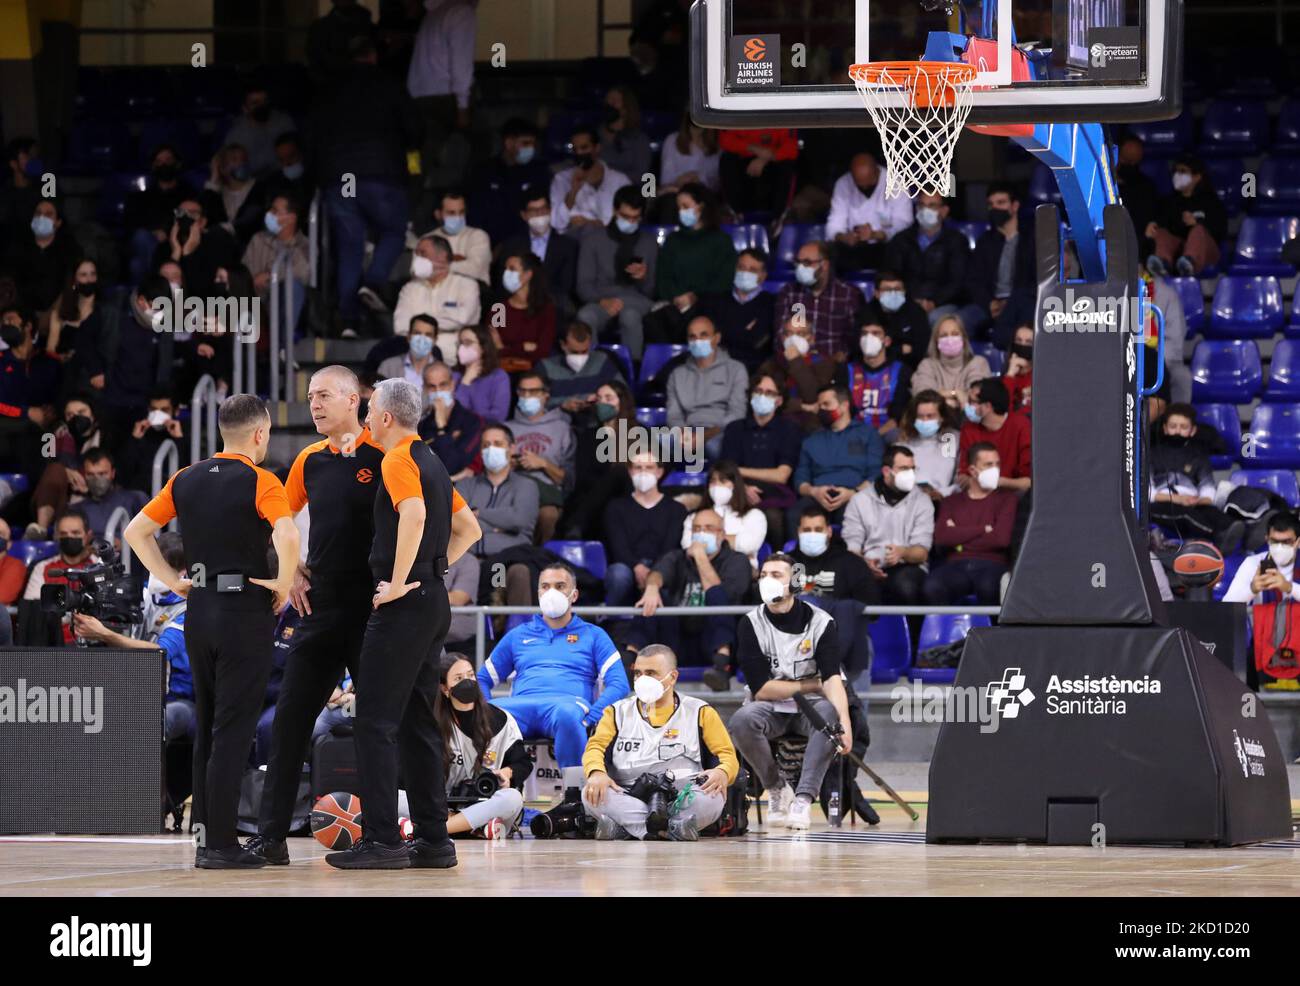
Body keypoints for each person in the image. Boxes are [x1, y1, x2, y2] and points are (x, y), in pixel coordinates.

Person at [125, 394, 299, 869]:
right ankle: (221, 844)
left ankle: (206, 838)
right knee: (233, 728)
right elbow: (286, 533)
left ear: (223, 431)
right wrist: (283, 582)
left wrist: (169, 580)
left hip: (198, 609)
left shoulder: (186, 478)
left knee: (208, 723)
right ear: (260, 434)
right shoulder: (262, 480)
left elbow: (136, 532)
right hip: (244, 609)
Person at [326, 378, 482, 869]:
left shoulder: (397, 459)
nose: (367, 419)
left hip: (405, 604)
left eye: (370, 411)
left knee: (373, 721)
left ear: (387, 418)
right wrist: (434, 571)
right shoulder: (431, 459)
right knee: (418, 722)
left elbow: (412, 514)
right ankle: (435, 841)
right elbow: (469, 529)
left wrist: (398, 581)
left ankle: (382, 841)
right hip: (432, 602)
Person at [243, 367, 387, 865]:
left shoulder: (386, 454)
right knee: (287, 722)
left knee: (376, 725)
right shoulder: (308, 459)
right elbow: (277, 520)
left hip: (373, 609)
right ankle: (271, 837)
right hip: (320, 605)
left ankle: (382, 837)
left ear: (355, 399)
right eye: (309, 397)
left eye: (324, 395)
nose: (314, 404)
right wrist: (293, 571)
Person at [476, 561, 630, 804]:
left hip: (567, 706)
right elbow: (482, 678)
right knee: (487, 717)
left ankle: (575, 797)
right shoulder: (518, 635)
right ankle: (485, 790)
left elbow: (619, 683)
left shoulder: (594, 635)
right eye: (545, 586)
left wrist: (592, 716)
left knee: (568, 715)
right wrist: (486, 711)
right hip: (520, 707)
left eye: (560, 586)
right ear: (538, 593)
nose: (552, 592)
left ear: (574, 594)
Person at [729, 552, 853, 830]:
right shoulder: (750, 623)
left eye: (776, 575)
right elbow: (761, 689)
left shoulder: (822, 623)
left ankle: (803, 799)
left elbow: (832, 678)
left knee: (829, 713)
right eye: (763, 575)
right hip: (771, 708)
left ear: (794, 582)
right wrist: (809, 684)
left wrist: (845, 723)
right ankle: (776, 787)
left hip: (811, 708)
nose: (767, 580)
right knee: (741, 720)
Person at [310, 36, 418, 336]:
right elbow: (413, 129)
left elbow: (313, 134)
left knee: (349, 248)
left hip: (340, 179)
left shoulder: (330, 89)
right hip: (380, 174)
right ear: (373, 56)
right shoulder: (388, 83)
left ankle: (348, 322)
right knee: (395, 231)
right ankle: (373, 282)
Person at [582, 643, 739, 841]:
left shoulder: (700, 711)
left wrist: (722, 772)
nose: (641, 679)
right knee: (590, 793)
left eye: (651, 673)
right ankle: (671, 829)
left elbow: (728, 756)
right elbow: (594, 748)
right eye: (638, 673)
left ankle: (628, 829)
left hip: (682, 796)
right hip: (628, 794)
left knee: (713, 798)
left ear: (672, 677)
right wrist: (596, 773)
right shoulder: (616, 711)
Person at [631, 507, 752, 690]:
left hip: (714, 636)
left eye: (709, 528)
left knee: (718, 598)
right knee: (653, 598)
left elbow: (723, 596)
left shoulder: (738, 560)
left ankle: (722, 666)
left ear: (722, 534)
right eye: (697, 529)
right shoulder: (678, 557)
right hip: (678, 637)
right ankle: (628, 662)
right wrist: (652, 587)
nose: (701, 533)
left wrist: (701, 557)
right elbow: (657, 572)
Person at [431, 653, 531, 839]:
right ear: (445, 688)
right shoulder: (432, 723)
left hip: (484, 802)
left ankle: (436, 830)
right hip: (441, 805)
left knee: (512, 798)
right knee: (396, 797)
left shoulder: (501, 720)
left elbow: (523, 763)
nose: (468, 682)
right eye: (459, 678)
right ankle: (474, 828)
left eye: (471, 675)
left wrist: (507, 773)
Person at [922, 442, 1017, 606]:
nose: (995, 469)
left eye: (997, 464)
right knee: (931, 586)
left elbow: (1001, 539)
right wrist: (984, 529)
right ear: (973, 470)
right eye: (988, 465)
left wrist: (958, 536)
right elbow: (942, 538)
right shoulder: (951, 502)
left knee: (989, 587)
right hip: (955, 565)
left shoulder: (1007, 500)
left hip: (993, 565)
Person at [456, 422, 540, 605]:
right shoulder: (465, 485)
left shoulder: (526, 485)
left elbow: (519, 519)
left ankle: (514, 631)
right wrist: (498, 527)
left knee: (517, 573)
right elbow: (456, 524)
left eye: (497, 443)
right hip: (468, 561)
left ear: (511, 448)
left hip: (503, 563)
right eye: (486, 445)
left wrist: (478, 513)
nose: (490, 449)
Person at [841, 443, 934, 610]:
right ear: (886, 471)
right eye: (904, 468)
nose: (911, 474)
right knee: (851, 582)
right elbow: (852, 546)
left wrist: (903, 552)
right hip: (868, 565)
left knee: (905, 585)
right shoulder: (860, 500)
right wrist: (865, 564)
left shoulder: (922, 501)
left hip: (909, 566)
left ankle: (911, 636)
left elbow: (922, 552)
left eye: (913, 468)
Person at [719, 370, 803, 547]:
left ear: (779, 400)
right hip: (738, 491)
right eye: (758, 391)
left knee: (773, 516)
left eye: (769, 393)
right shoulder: (734, 429)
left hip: (775, 493)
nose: (762, 396)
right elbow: (725, 470)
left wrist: (739, 471)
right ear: (750, 395)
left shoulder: (789, 429)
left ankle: (778, 561)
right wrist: (743, 487)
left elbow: (781, 475)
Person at [574, 185, 658, 359]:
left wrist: (642, 278)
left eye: (636, 218)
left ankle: (632, 371)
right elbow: (583, 285)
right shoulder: (593, 240)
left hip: (637, 301)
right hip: (601, 301)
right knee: (584, 316)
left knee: (630, 316)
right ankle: (593, 368)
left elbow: (652, 292)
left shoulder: (649, 243)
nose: (631, 223)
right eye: (626, 217)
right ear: (614, 211)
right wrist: (602, 300)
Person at [1149, 403, 1245, 553]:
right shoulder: (1151, 454)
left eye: (1183, 427)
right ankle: (1217, 538)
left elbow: (1208, 490)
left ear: (1192, 430)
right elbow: (1148, 493)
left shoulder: (1199, 456)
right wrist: (1177, 499)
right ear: (1165, 428)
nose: (1177, 431)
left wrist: (1198, 501)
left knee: (1213, 513)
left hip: (1193, 501)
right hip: (1161, 504)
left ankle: (1243, 536)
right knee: (1185, 514)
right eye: (1173, 426)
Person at [790, 382, 885, 532]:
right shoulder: (811, 440)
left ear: (844, 406)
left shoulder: (867, 434)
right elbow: (800, 479)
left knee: (854, 515)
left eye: (827, 404)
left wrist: (853, 493)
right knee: (794, 515)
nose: (822, 409)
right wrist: (814, 491)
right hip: (818, 496)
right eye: (820, 406)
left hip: (855, 495)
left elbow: (877, 473)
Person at [648, 183, 736, 341]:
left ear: (701, 207)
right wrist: (676, 297)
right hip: (674, 305)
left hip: (708, 305)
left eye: (685, 206)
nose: (681, 211)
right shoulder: (673, 241)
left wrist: (695, 296)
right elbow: (663, 277)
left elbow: (724, 279)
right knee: (653, 321)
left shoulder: (721, 241)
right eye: (679, 207)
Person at [1221, 513, 1300, 682]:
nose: (1280, 547)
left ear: (1297, 542)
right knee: (1243, 658)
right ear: (1266, 539)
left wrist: (1289, 587)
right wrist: (1252, 588)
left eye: (1286, 542)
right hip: (1264, 642)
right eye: (1274, 541)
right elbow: (1226, 606)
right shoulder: (1253, 563)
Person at [603, 450, 688, 605]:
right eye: (638, 467)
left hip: (663, 567)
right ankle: (610, 617)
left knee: (673, 572)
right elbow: (618, 546)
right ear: (630, 471)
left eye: (649, 467)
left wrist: (654, 573)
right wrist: (637, 567)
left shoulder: (676, 509)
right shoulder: (616, 507)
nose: (643, 473)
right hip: (628, 567)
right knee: (618, 574)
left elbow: (671, 546)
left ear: (659, 471)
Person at [960, 183, 1036, 349]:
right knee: (960, 322)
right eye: (991, 204)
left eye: (1000, 203)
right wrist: (989, 303)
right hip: (989, 305)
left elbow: (1038, 279)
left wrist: (1012, 302)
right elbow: (973, 280)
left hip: (1022, 303)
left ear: (1014, 206)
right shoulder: (985, 241)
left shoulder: (1032, 239)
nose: (995, 208)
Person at [666, 315, 748, 461]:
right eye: (693, 337)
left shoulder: (736, 369)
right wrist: (684, 434)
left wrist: (704, 436)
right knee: (652, 444)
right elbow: (674, 415)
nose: (698, 341)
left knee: (715, 448)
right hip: (687, 431)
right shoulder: (677, 374)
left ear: (716, 338)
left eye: (704, 335)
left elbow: (737, 413)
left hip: (720, 432)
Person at [507, 369, 575, 544]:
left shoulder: (562, 428)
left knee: (548, 515)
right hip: (511, 492)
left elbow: (569, 480)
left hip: (547, 495)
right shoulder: (506, 429)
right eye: (523, 391)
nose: (527, 396)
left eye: (533, 391)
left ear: (546, 395)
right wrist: (511, 463)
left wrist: (543, 464)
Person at [885, 189, 971, 325]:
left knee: (935, 319)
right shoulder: (901, 240)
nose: (925, 210)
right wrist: (910, 300)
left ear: (944, 211)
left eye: (932, 206)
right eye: (921, 205)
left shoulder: (956, 241)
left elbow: (957, 282)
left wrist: (933, 302)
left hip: (943, 304)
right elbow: (892, 274)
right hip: (907, 301)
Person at [18, 508, 100, 646]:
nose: (69, 537)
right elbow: (34, 614)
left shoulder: (99, 567)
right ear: (56, 536)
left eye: (75, 533)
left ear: (87, 535)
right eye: (63, 533)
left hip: (93, 644)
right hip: (51, 644)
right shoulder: (43, 568)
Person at [492, 185, 579, 312]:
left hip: (552, 305)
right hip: (516, 305)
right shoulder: (511, 245)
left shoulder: (567, 246)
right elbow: (503, 283)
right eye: (533, 211)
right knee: (498, 310)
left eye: (543, 210)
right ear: (524, 215)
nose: (539, 215)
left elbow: (565, 286)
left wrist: (535, 299)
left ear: (550, 211)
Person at [827, 152, 913, 273]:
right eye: (860, 185)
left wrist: (876, 235)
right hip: (854, 248)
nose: (864, 188)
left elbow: (904, 223)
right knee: (831, 252)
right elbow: (835, 222)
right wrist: (843, 237)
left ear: (877, 171)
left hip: (886, 246)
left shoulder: (896, 182)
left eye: (869, 184)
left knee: (901, 248)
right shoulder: (843, 184)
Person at [469, 120, 552, 246]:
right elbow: (476, 213)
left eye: (533, 144)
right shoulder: (485, 171)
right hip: (490, 243)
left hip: (527, 242)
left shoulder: (538, 171)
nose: (531, 148)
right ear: (508, 143)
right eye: (525, 143)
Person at [392, 234, 480, 351]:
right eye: (416, 254)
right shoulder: (409, 289)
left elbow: (461, 319)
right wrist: (437, 324)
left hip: (453, 349)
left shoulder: (467, 285)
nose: (417, 258)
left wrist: (418, 326)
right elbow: (400, 326)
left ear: (442, 257)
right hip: (414, 347)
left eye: (423, 253)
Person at [125, 144, 197, 283]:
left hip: (179, 242)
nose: (163, 164)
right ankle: (154, 288)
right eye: (159, 161)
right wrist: (153, 232)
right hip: (149, 244)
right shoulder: (141, 197)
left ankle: (158, 287)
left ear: (177, 164)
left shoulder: (188, 193)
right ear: (153, 166)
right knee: (137, 257)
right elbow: (132, 223)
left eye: (168, 160)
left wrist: (168, 231)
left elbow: (192, 218)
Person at [1145, 154, 1227, 277]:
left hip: (1206, 251)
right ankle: (1162, 263)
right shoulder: (1169, 202)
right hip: (1178, 251)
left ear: (1197, 177)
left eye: (1183, 171)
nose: (1177, 175)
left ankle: (1189, 264)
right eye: (1176, 171)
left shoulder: (1211, 202)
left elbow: (1220, 231)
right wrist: (1152, 227)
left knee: (1198, 230)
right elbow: (1163, 225)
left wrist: (1197, 223)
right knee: (1161, 233)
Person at [241, 193, 310, 337]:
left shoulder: (305, 246)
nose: (269, 214)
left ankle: (282, 346)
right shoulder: (258, 239)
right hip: (259, 303)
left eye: (274, 211)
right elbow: (246, 274)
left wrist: (272, 276)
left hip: (287, 305)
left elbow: (303, 275)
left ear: (291, 218)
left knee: (293, 287)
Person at [697, 248, 775, 374]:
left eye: (752, 270)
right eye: (741, 267)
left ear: (763, 276)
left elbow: (759, 343)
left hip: (754, 371)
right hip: (716, 367)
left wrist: (729, 336)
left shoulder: (772, 304)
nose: (745, 273)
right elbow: (708, 341)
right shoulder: (714, 302)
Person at [776, 240, 858, 358]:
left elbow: (853, 339)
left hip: (835, 367)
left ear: (824, 265)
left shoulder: (847, 294)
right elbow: (781, 336)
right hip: (796, 364)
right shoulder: (789, 293)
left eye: (807, 262)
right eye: (798, 262)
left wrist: (839, 359)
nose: (800, 267)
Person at [46, 258, 116, 398]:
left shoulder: (106, 311)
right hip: (66, 372)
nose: (89, 279)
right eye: (83, 275)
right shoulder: (61, 311)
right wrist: (62, 357)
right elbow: (51, 348)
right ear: (74, 279)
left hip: (96, 375)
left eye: (92, 274)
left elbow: (110, 346)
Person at [680, 460, 768, 568]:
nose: (717, 485)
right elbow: (688, 545)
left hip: (740, 573)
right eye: (713, 481)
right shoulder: (694, 517)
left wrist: (705, 541)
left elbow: (749, 545)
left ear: (736, 484)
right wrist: (734, 540)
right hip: (700, 570)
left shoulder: (754, 515)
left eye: (723, 480)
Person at [757, 317, 838, 433]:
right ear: (782, 338)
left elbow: (814, 397)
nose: (793, 339)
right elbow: (765, 400)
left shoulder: (824, 363)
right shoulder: (772, 363)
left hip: (810, 427)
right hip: (776, 424)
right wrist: (802, 406)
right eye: (788, 334)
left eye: (800, 334)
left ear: (811, 339)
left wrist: (795, 361)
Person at [549, 126, 631, 235]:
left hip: (611, 242)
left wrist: (593, 224)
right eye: (575, 149)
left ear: (597, 148)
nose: (579, 153)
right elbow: (557, 223)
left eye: (584, 148)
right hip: (573, 244)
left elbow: (629, 221)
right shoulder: (561, 180)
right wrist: (573, 191)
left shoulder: (620, 181)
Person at [956, 377, 1032, 494]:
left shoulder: (1020, 425)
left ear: (987, 406)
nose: (967, 406)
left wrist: (998, 482)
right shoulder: (968, 429)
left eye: (972, 402)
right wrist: (968, 479)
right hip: (978, 494)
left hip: (1014, 495)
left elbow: (1029, 481)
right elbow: (963, 474)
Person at [789, 505, 876, 604]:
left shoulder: (852, 563)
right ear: (798, 531)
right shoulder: (785, 564)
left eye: (818, 530)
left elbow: (869, 606)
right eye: (807, 530)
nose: (812, 534)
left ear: (829, 531)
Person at [6, 199, 81, 313]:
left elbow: (70, 286)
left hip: (58, 313)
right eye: (38, 213)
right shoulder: (17, 249)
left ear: (58, 222)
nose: (42, 217)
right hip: (20, 312)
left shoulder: (69, 251)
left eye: (48, 214)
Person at [845, 316, 912, 436]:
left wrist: (875, 436)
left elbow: (899, 415)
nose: (869, 338)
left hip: (886, 433)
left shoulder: (901, 370)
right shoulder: (847, 370)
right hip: (853, 434)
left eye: (875, 333)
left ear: (887, 341)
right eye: (864, 334)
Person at [910, 314, 991, 410]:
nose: (950, 339)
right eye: (944, 335)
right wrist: (956, 393)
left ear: (964, 338)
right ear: (936, 341)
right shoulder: (927, 365)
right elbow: (923, 396)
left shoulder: (978, 362)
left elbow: (976, 396)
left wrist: (940, 397)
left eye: (955, 334)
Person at [419, 361, 483, 479]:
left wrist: (441, 427)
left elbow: (452, 466)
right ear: (425, 389)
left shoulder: (472, 421)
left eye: (443, 385)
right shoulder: (421, 426)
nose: (438, 391)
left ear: (453, 385)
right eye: (432, 386)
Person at [494, 250, 557, 370]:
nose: (506, 273)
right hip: (503, 370)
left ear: (527, 275)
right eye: (505, 269)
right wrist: (523, 348)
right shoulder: (499, 309)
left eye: (512, 269)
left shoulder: (545, 309)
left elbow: (542, 352)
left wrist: (505, 349)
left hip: (534, 372)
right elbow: (493, 350)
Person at [539, 319, 622, 409]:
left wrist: (601, 399)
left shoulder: (603, 361)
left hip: (595, 419)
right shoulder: (545, 367)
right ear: (563, 345)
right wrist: (562, 405)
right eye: (574, 352)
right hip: (557, 420)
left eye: (584, 351)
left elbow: (623, 396)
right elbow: (535, 404)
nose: (579, 356)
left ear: (590, 344)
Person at [857, 270, 931, 368]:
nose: (893, 293)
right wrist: (900, 349)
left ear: (904, 291)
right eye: (887, 289)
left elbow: (920, 350)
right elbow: (863, 350)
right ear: (877, 293)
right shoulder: (866, 314)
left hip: (910, 369)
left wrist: (885, 349)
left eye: (897, 289)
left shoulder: (916, 312)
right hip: (874, 368)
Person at [717, 127, 798, 216]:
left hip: (774, 163)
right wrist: (754, 149)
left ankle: (779, 217)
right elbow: (724, 140)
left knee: (787, 165)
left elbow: (791, 147)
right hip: (744, 162)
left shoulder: (782, 116)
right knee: (727, 159)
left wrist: (765, 158)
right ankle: (735, 213)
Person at [898, 389, 961, 500]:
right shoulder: (905, 441)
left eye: (930, 416)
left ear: (942, 417)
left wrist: (942, 493)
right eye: (920, 416)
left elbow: (958, 478)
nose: (924, 420)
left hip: (944, 500)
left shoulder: (950, 439)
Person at [222, 83, 295, 179]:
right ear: (245, 109)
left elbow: (296, 155)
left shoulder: (284, 121)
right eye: (255, 103)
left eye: (265, 101)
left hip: (285, 176)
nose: (262, 106)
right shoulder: (236, 135)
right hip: (251, 182)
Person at [75, 448, 147, 536]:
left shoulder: (134, 499)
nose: (96, 479)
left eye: (102, 474)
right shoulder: (77, 509)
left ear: (112, 473)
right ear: (84, 475)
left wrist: (124, 545)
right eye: (90, 474)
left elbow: (150, 537)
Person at [429, 189, 491, 285]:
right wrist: (459, 261)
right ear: (438, 214)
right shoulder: (427, 240)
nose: (458, 217)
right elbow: (419, 271)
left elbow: (475, 269)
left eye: (461, 212)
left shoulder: (478, 236)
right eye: (451, 213)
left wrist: (439, 266)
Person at [658, 112, 722, 204]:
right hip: (676, 194)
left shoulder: (716, 145)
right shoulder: (672, 141)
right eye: (693, 128)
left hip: (705, 198)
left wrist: (700, 178)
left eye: (701, 129)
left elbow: (717, 183)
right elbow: (665, 180)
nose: (696, 135)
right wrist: (682, 179)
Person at [452, 325, 509, 422]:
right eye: (460, 343)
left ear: (483, 347)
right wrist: (465, 382)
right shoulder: (453, 374)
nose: (462, 347)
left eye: (468, 343)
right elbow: (453, 415)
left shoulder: (499, 376)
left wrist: (471, 416)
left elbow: (498, 417)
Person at [599, 85, 653, 181]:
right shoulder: (596, 135)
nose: (609, 104)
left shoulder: (638, 139)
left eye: (614, 101)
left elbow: (641, 174)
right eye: (607, 100)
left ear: (626, 108)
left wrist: (610, 177)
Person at [378, 314, 441, 387]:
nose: (422, 339)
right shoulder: (388, 367)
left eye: (428, 335)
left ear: (435, 340)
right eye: (417, 333)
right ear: (408, 337)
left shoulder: (442, 372)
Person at [1002, 325, 1034, 413]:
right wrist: (1010, 373)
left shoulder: (1044, 374)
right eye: (1018, 340)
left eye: (1029, 342)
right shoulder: (1009, 370)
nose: (1022, 345)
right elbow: (1001, 408)